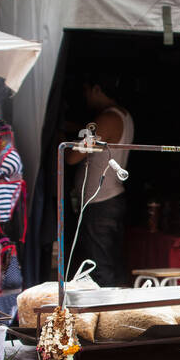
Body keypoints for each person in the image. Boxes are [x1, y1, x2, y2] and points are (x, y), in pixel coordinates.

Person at [66, 72, 133, 287]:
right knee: (109, 261)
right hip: (108, 198)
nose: (86, 97)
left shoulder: (107, 119)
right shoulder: (123, 116)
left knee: (100, 265)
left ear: (96, 89)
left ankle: (110, 314)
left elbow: (73, 156)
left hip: (101, 200)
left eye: (87, 91)